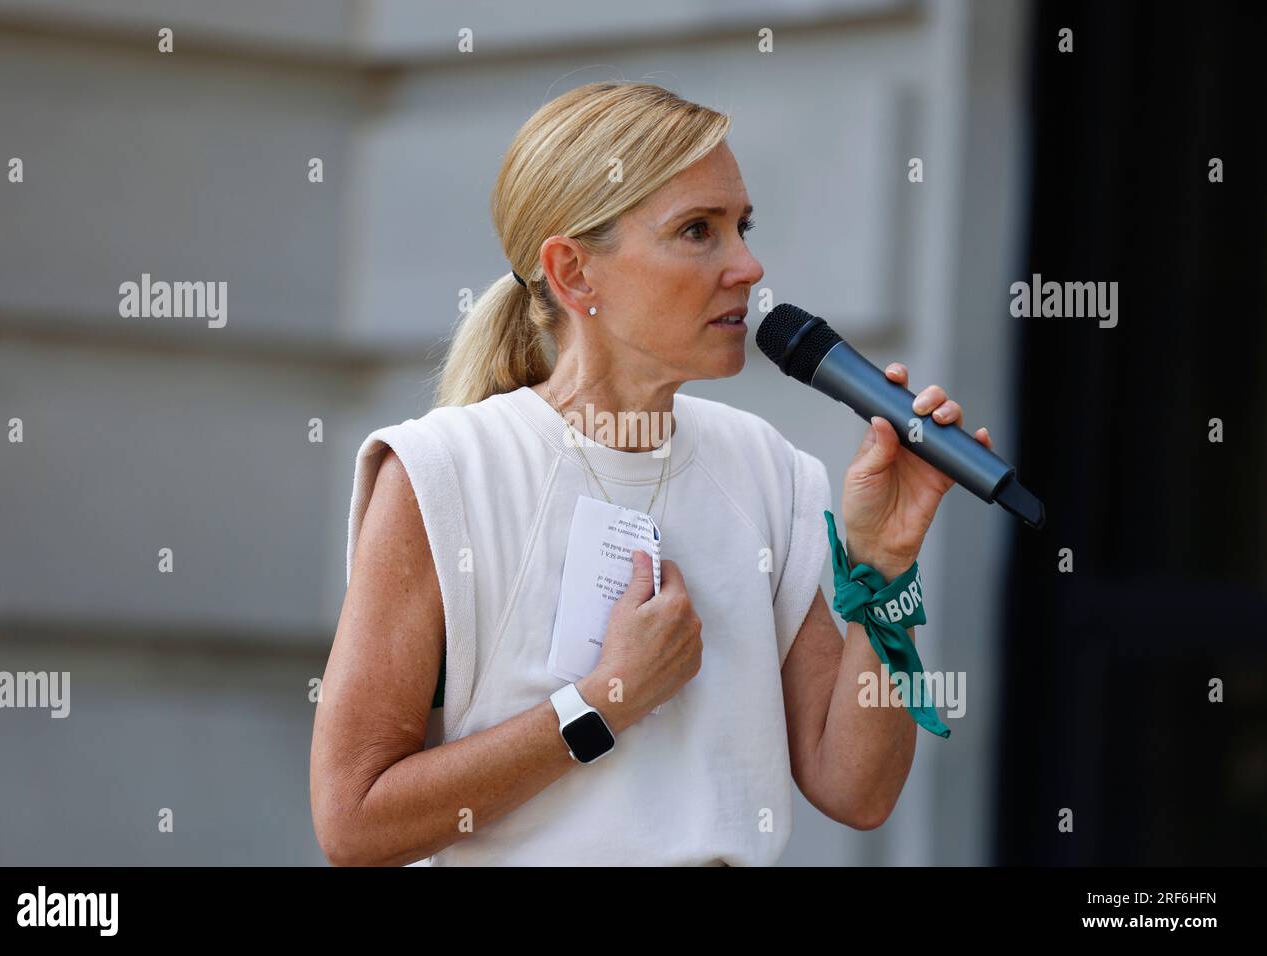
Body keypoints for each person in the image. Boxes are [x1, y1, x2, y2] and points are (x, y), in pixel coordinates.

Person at [309, 81, 994, 866]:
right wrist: (605, 702)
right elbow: (354, 821)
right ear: (573, 274)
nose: (747, 265)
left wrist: (883, 567)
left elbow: (857, 790)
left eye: (742, 226)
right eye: (698, 231)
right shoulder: (445, 473)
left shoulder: (764, 467)